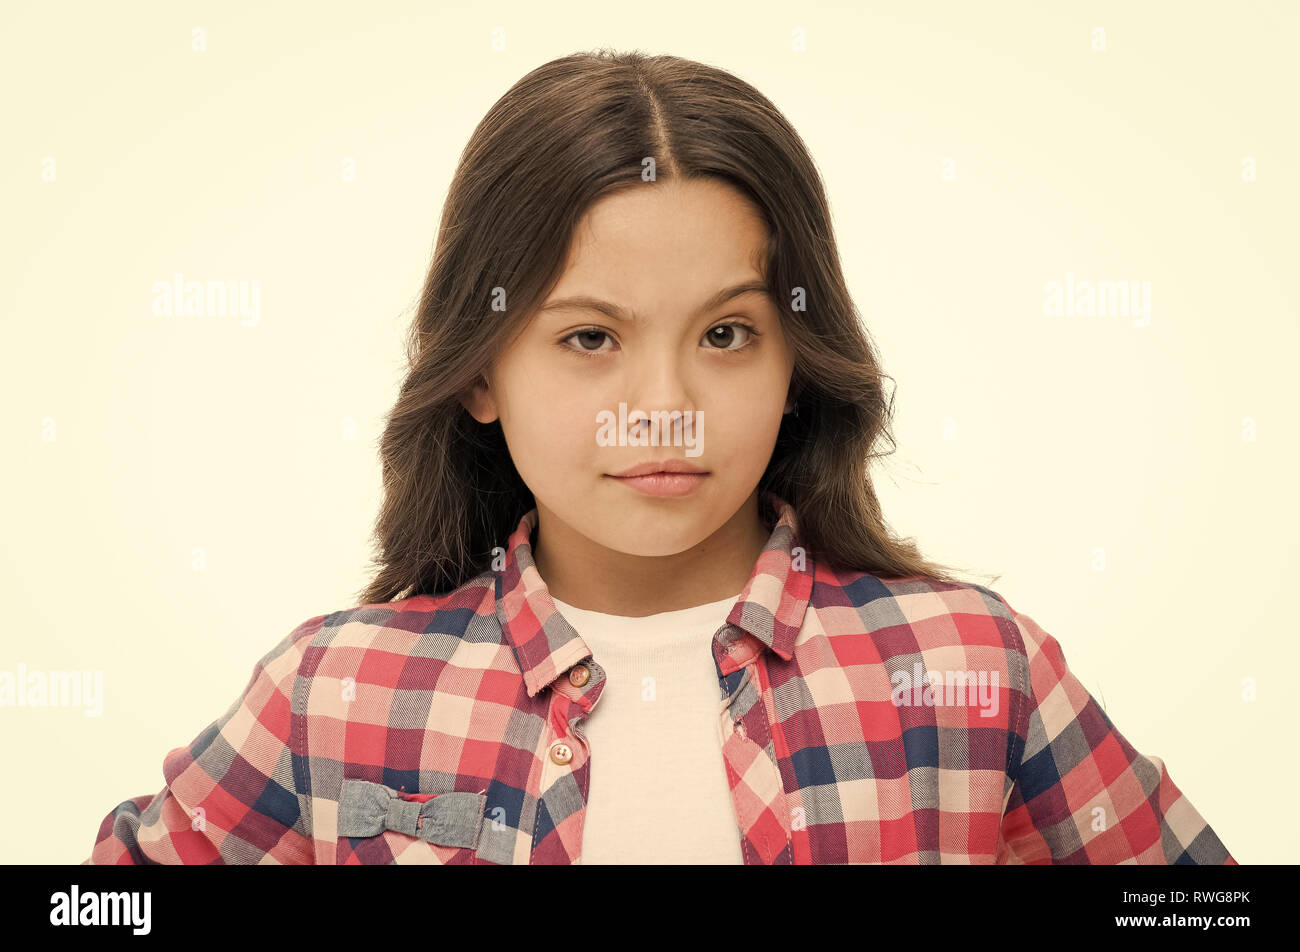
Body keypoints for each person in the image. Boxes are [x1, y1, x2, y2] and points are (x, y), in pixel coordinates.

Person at [86, 49, 1234, 865]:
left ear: (797, 356)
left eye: (726, 335)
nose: (664, 409)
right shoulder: (336, 693)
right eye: (590, 338)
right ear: (481, 371)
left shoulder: (974, 669)